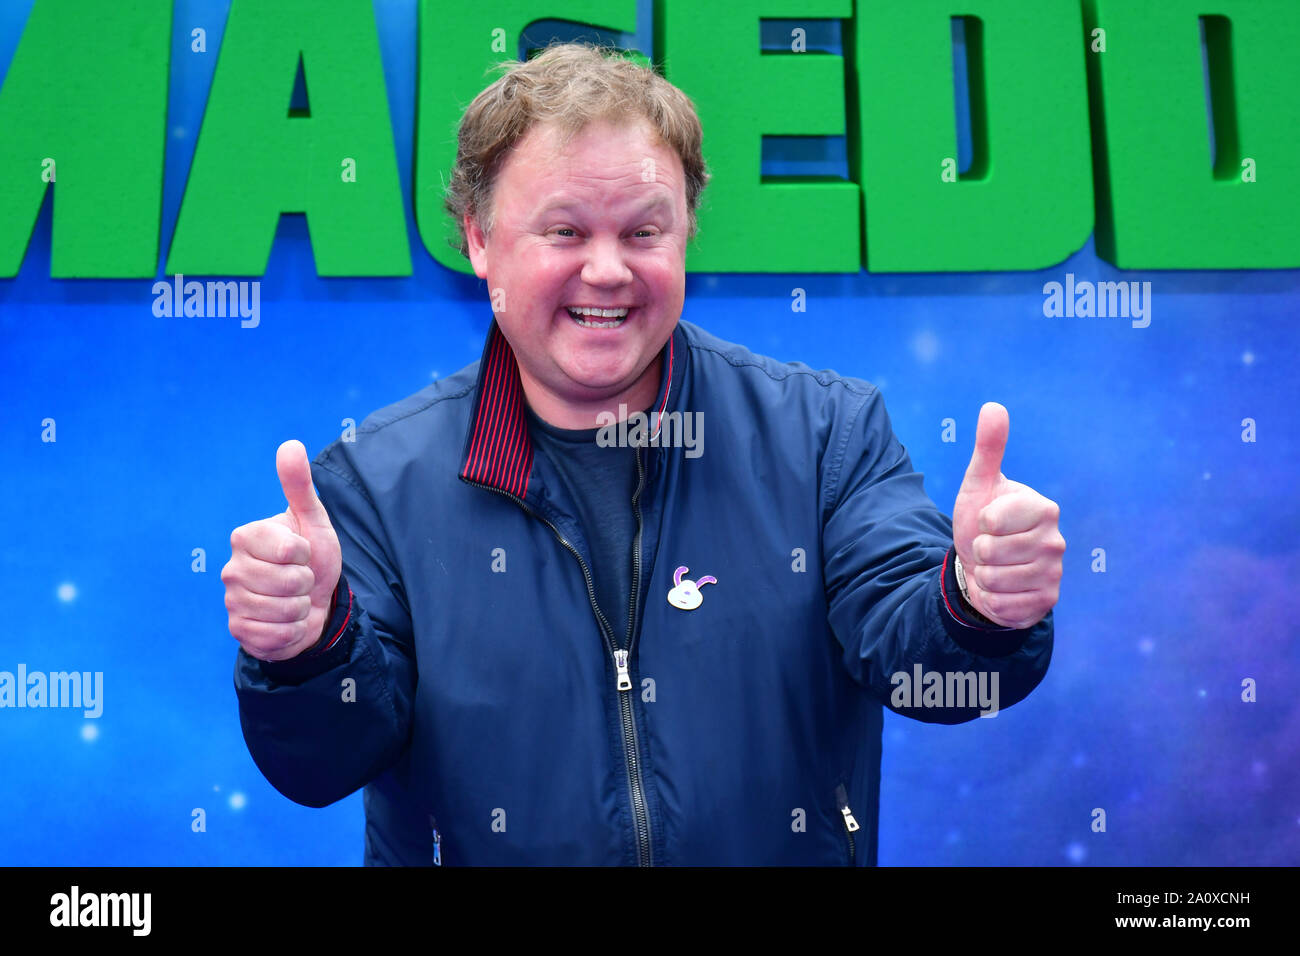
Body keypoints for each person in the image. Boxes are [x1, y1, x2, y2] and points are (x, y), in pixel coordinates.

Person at [223, 42, 1064, 866]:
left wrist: (979, 602)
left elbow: (934, 672)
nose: (607, 270)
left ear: (686, 231)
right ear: (479, 240)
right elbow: (320, 764)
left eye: (643, 232)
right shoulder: (373, 484)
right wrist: (308, 651)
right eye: (563, 231)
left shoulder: (826, 436)